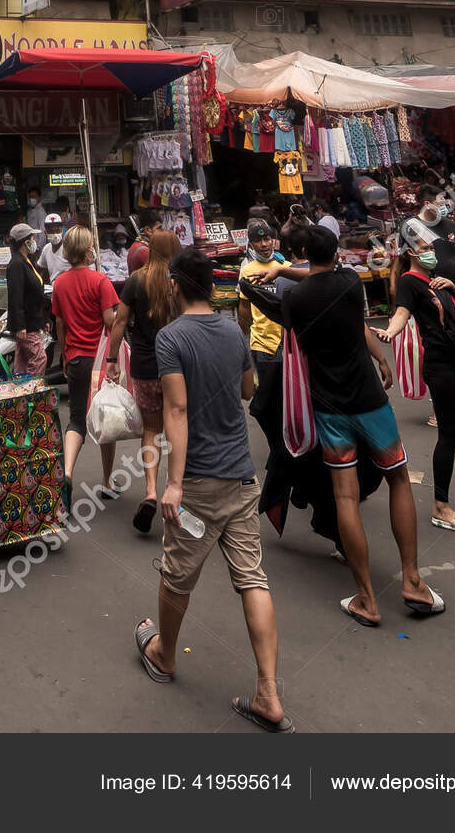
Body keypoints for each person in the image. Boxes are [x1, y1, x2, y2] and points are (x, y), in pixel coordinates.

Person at [242, 225, 442, 627]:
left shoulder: (296, 300)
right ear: (337, 254)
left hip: (329, 410)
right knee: (398, 480)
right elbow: (335, 290)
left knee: (345, 500)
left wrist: (273, 278)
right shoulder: (351, 283)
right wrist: (382, 360)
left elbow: (280, 302)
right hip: (371, 403)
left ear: (300, 254)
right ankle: (413, 581)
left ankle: (367, 599)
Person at [133, 248, 293, 733]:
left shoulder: (170, 338)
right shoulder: (232, 330)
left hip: (199, 480)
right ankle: (269, 693)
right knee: (252, 579)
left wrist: (173, 484)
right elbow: (248, 391)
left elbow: (176, 411)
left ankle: (164, 652)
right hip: (241, 475)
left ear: (176, 287)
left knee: (177, 574)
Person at [376, 228, 455, 532]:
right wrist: (390, 333)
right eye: (424, 246)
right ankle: (440, 506)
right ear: (410, 253)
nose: (431, 249)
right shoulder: (409, 281)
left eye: (431, 244)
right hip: (438, 366)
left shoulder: (437, 280)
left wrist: (454, 290)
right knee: (449, 435)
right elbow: (402, 313)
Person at [109, 226, 178, 534]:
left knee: (151, 429)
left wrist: (111, 360)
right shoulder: (180, 281)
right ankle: (176, 490)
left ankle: (150, 490)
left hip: (146, 365)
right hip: (178, 366)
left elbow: (120, 321)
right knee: (178, 427)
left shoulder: (136, 280)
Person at [51, 225, 120, 495]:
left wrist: (64, 356)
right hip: (101, 361)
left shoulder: (60, 283)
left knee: (76, 418)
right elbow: (109, 322)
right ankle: (107, 481)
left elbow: (60, 324)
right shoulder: (100, 282)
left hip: (77, 359)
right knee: (107, 421)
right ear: (88, 250)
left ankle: (67, 472)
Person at [236, 220, 285, 385]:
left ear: (273, 241)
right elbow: (243, 309)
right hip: (262, 344)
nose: (264, 244)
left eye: (267, 239)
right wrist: (244, 340)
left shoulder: (286, 267)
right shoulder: (247, 270)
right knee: (268, 395)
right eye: (258, 241)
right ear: (251, 245)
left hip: (287, 343)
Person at [5, 221, 47, 377]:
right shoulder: (16, 264)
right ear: (25, 242)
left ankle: (20, 393)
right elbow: (16, 296)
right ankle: (32, 391)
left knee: (22, 362)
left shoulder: (28, 261)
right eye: (32, 238)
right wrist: (20, 326)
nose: (34, 241)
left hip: (33, 321)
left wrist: (43, 320)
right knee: (39, 358)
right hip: (26, 326)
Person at [38, 211, 68, 281]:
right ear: (45, 233)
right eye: (51, 231)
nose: (55, 234)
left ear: (62, 231)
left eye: (57, 230)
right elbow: (41, 269)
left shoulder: (69, 248)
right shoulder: (46, 249)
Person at [127, 209, 157, 273]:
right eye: (159, 228)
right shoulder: (144, 251)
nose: (162, 232)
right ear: (148, 230)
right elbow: (159, 276)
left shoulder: (137, 244)